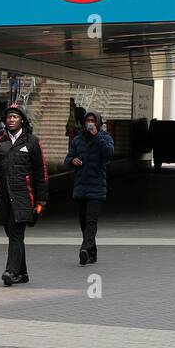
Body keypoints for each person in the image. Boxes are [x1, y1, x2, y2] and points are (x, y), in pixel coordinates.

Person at [0, 104, 47, 287]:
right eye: (9, 117)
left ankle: (11, 272)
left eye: (15, 117)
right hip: (3, 195)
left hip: (24, 196)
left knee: (16, 232)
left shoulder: (32, 142)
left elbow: (40, 172)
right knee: (12, 233)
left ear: (22, 120)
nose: (11, 120)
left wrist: (41, 200)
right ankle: (23, 273)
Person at [65, 111, 114, 265]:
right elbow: (66, 160)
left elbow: (109, 153)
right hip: (80, 187)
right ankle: (92, 252)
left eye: (93, 121)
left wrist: (96, 136)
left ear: (98, 123)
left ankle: (85, 249)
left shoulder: (104, 138)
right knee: (83, 222)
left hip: (97, 188)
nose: (90, 123)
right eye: (88, 120)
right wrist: (73, 160)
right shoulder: (77, 140)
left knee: (91, 220)